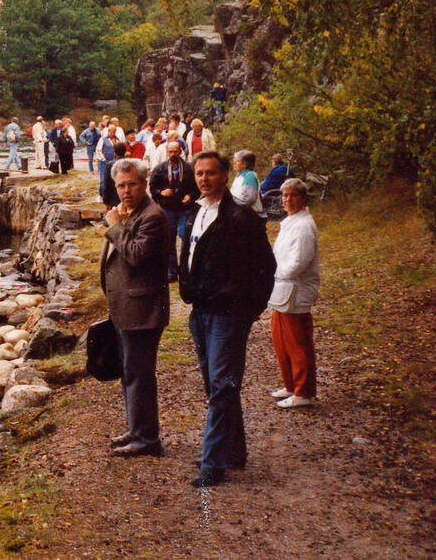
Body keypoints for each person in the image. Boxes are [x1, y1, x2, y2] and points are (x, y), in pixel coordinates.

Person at [179, 150, 276, 487]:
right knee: (215, 384)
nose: (204, 178)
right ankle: (233, 449)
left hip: (229, 313)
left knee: (221, 385)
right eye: (199, 173)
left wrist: (251, 310)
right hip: (200, 310)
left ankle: (213, 462)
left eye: (210, 173)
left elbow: (266, 267)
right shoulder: (195, 212)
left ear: (225, 176)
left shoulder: (241, 217)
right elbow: (188, 255)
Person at [101, 157, 169, 458]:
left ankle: (147, 438)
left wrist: (115, 226)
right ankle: (136, 429)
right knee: (130, 372)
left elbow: (136, 256)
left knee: (140, 373)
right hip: (125, 307)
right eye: (120, 186)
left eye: (131, 184)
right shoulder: (127, 212)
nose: (125, 191)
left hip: (143, 310)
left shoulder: (152, 215)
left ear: (144, 184)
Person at [269, 178, 320, 408]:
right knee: (281, 342)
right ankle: (291, 385)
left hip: (295, 289)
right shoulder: (289, 221)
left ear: (303, 199)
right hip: (281, 288)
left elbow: (299, 262)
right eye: (285, 196)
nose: (288, 200)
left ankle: (304, 392)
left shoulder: (304, 226)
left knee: (298, 342)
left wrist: (276, 274)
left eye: (293, 196)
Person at [149, 139, 199, 281]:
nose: (172, 154)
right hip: (167, 209)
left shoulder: (189, 168)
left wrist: (191, 196)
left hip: (185, 209)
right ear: (167, 152)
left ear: (180, 151)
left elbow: (196, 188)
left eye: (175, 151)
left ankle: (184, 269)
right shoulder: (160, 168)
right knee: (169, 240)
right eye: (170, 151)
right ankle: (171, 272)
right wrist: (161, 193)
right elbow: (152, 187)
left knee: (185, 237)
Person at [230, 150, 265, 216]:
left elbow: (248, 199)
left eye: (237, 161)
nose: (234, 163)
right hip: (240, 213)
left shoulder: (249, 176)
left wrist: (231, 203)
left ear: (245, 164)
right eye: (234, 160)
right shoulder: (239, 176)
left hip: (251, 216)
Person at [102, 141, 127, 207]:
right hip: (127, 196)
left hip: (114, 198)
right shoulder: (130, 163)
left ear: (114, 151)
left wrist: (105, 201)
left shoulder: (110, 165)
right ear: (125, 151)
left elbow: (106, 184)